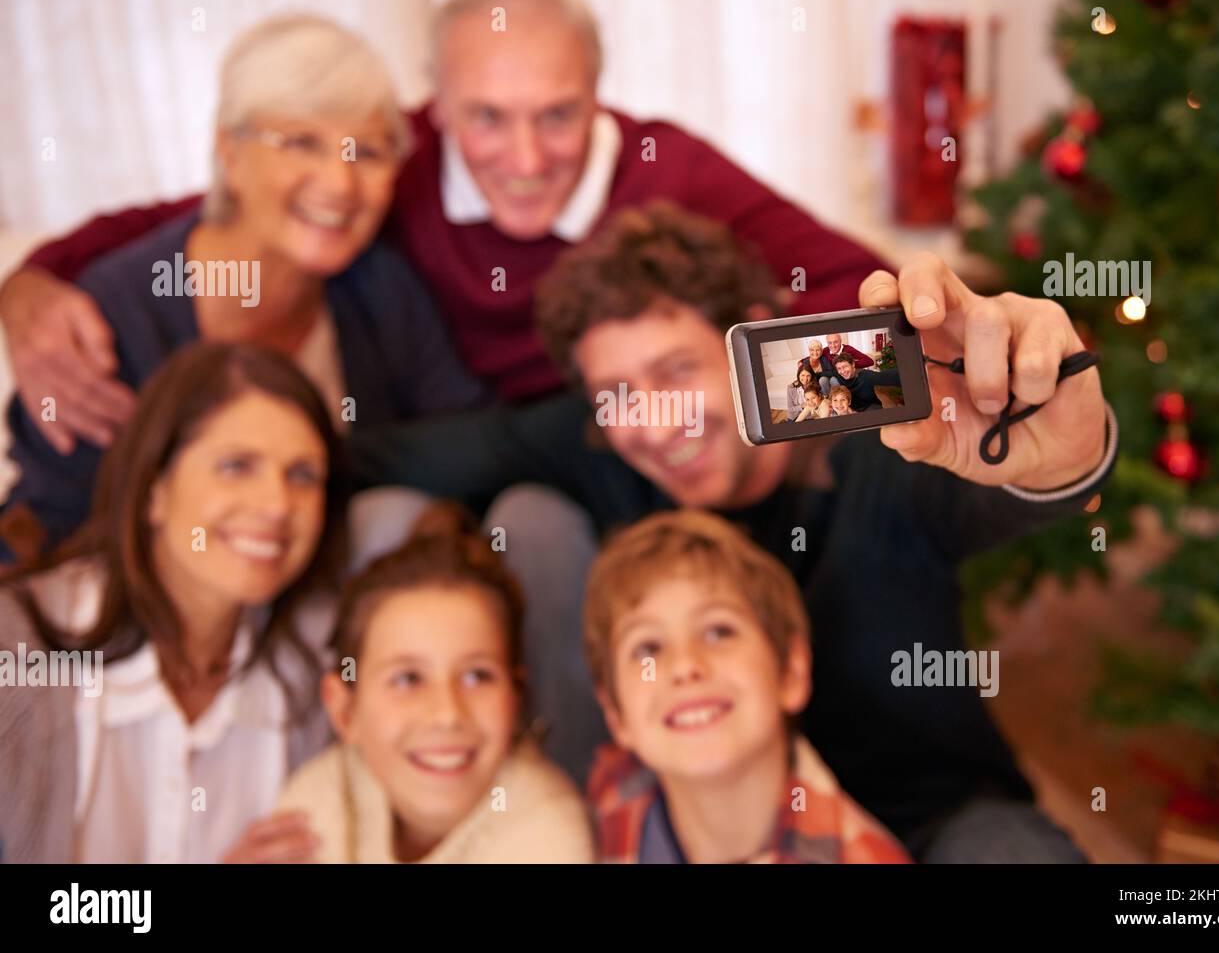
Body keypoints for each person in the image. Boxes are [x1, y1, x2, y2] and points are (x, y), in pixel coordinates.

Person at [349, 202, 1117, 862]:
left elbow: (1002, 485)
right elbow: (415, 454)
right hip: (703, 815)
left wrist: (1067, 451)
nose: (655, 420)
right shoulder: (604, 441)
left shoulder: (854, 418)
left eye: (677, 369)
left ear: (754, 338)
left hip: (926, 814)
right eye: (618, 392)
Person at [0, 0, 892, 457]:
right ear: (438, 105)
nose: (528, 158)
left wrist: (729, 398)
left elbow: (880, 326)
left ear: (599, 97)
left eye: (559, 114)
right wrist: (30, 285)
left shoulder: (671, 170)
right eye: (487, 119)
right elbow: (216, 207)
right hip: (477, 444)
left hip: (638, 443)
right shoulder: (400, 164)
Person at [0, 13, 487, 562]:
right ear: (230, 154)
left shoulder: (380, 285)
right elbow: (49, 530)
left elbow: (469, 444)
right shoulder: (119, 310)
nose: (340, 183)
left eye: (368, 153)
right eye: (301, 143)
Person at [0, 343, 349, 864]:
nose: (277, 505)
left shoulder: (320, 666)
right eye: (236, 465)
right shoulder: (16, 658)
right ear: (152, 492)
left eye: (302, 475)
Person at [584, 510, 910, 864]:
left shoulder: (863, 856)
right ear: (616, 716)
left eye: (718, 632)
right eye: (648, 648)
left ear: (791, 671)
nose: (685, 666)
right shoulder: (606, 799)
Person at [276, 504, 593, 863]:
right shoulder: (322, 795)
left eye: (477, 676)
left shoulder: (547, 827)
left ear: (516, 695)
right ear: (345, 710)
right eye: (408, 679)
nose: (446, 714)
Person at [830, 353, 901, 412]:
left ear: (853, 364)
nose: (842, 371)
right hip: (851, 409)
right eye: (839, 368)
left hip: (870, 407)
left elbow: (884, 376)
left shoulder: (865, 375)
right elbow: (823, 374)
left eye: (845, 366)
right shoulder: (838, 375)